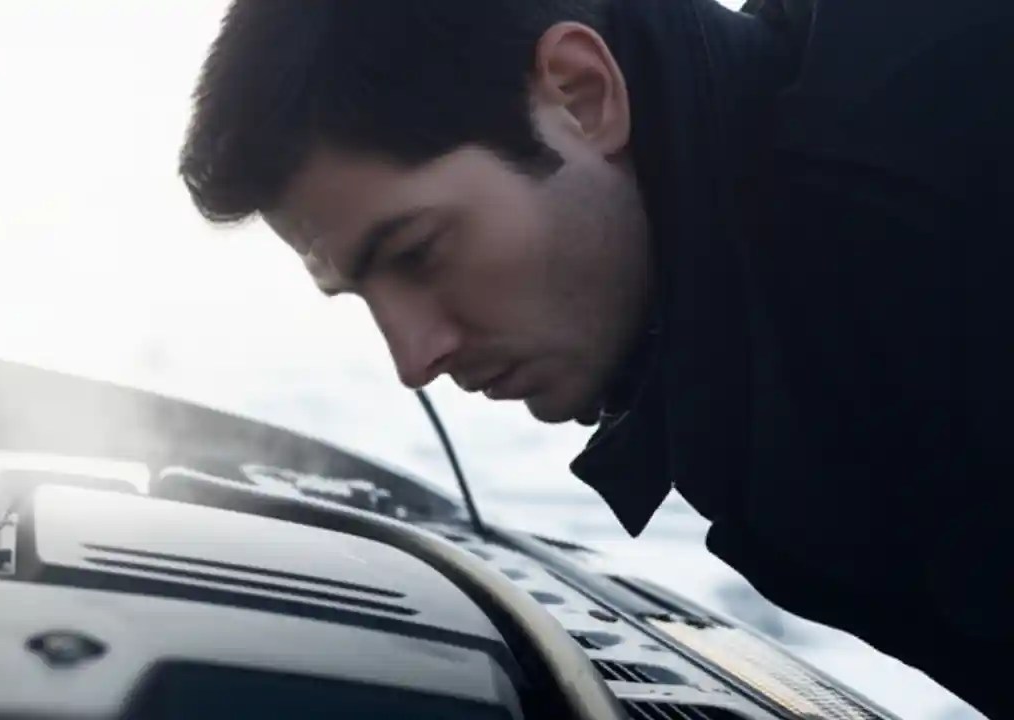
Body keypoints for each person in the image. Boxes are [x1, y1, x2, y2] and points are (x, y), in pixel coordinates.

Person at [178, 0, 1014, 715]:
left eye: (420, 252)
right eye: (362, 295)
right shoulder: (754, 330)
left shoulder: (955, 170)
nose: (414, 358)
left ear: (582, 95)